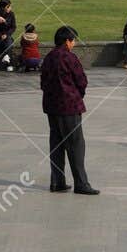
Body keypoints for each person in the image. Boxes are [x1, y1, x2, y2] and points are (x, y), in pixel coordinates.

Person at [40, 26, 98, 194]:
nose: (74, 44)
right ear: (67, 41)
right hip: (69, 107)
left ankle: (57, 182)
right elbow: (81, 81)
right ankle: (81, 183)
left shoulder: (49, 57)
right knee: (75, 145)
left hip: (52, 107)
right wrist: (77, 95)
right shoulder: (69, 57)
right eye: (73, 41)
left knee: (56, 144)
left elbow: (43, 83)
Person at [0, 0, 17, 72]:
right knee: (9, 42)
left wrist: (6, 34)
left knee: (8, 40)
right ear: (3, 8)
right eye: (8, 7)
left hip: (7, 37)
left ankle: (6, 57)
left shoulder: (11, 14)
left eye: (10, 6)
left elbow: (13, 27)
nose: (10, 8)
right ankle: (9, 64)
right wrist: (0, 35)